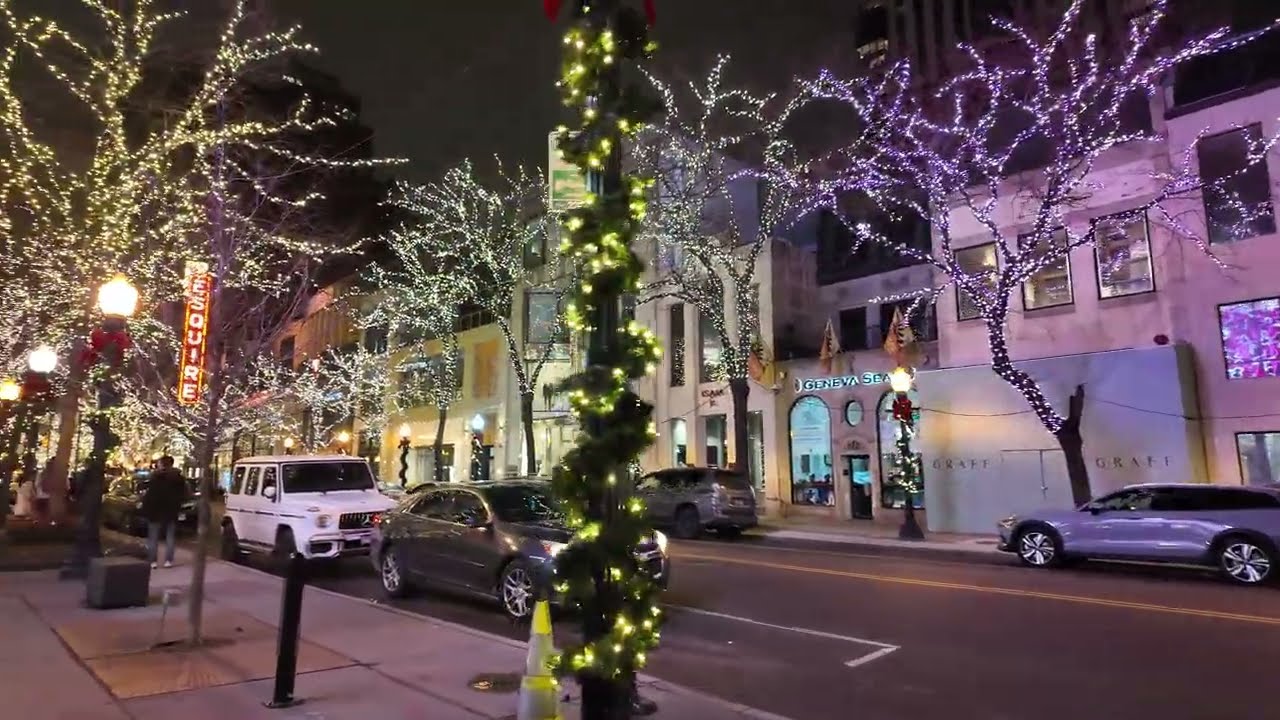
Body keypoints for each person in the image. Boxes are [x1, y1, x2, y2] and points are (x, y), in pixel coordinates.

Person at [141, 455, 186, 569]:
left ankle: (153, 561)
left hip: (155, 512)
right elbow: (184, 495)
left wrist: (146, 509)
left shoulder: (155, 477)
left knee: (153, 538)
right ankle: (168, 561)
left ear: (161, 464)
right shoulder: (178, 478)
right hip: (171, 511)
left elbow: (149, 496)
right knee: (170, 537)